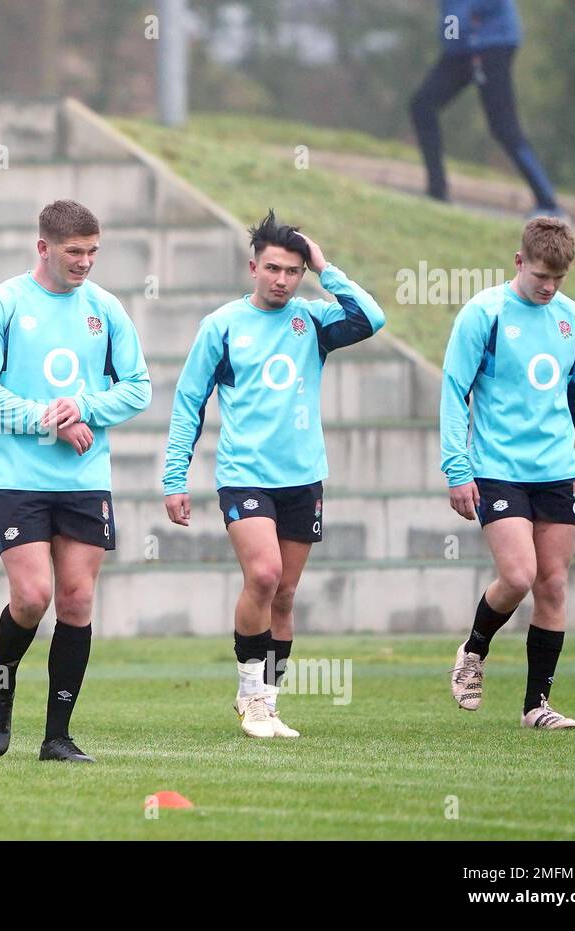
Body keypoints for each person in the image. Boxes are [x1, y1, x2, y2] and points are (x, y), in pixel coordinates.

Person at [162, 210, 385, 739]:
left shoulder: (313, 321)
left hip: (304, 478)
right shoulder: (221, 326)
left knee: (283, 594)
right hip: (245, 476)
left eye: (293, 270)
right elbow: (190, 402)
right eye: (273, 269)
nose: (282, 280)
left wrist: (328, 270)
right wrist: (176, 477)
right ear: (253, 267)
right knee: (261, 575)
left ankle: (270, 701)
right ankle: (250, 699)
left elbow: (371, 318)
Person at [0, 200, 150, 763]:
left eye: (93, 251)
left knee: (75, 599)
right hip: (17, 477)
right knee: (33, 595)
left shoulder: (106, 309)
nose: (86, 262)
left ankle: (57, 737)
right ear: (43, 247)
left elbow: (138, 387)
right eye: (75, 251)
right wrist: (49, 417)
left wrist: (85, 407)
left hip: (85, 479)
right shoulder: (2, 304)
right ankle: (2, 685)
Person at [442, 217, 575, 729]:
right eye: (541, 275)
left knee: (553, 585)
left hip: (556, 471)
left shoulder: (572, 319)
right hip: (497, 469)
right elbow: (454, 391)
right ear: (519, 261)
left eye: (558, 279)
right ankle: (474, 650)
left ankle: (535, 707)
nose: (548, 287)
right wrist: (457, 469)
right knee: (518, 576)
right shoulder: (485, 314)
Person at [410, 0, 564, 218]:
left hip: (491, 44)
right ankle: (436, 192)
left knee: (503, 126)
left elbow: (465, 10)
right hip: (462, 48)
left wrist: (461, 26)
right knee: (422, 106)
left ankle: (548, 204)